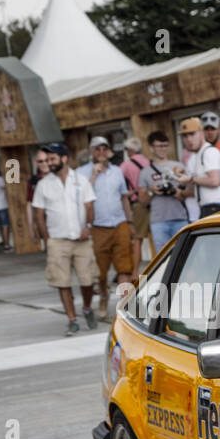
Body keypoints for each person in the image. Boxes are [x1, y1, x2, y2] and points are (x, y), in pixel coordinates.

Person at [31, 141, 97, 336]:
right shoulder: (43, 185)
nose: (49, 163)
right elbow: (39, 214)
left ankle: (86, 308)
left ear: (64, 159)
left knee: (87, 280)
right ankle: (72, 319)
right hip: (58, 241)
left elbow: (90, 206)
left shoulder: (80, 180)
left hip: (82, 240)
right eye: (47, 159)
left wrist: (88, 226)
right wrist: (47, 238)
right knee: (63, 282)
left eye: (52, 159)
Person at [78, 136, 133, 317]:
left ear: (109, 151)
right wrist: (94, 175)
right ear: (92, 152)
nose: (101, 152)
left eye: (104, 148)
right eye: (97, 149)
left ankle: (125, 305)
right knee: (100, 271)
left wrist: (130, 221)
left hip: (119, 222)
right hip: (98, 226)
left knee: (124, 266)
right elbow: (81, 198)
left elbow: (124, 197)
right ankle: (103, 299)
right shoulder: (82, 172)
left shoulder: (117, 171)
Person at [137, 131, 189, 252]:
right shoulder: (145, 172)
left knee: (185, 255)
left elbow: (188, 194)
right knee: (163, 259)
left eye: (165, 145)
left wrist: (176, 190)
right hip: (159, 221)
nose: (163, 149)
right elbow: (142, 202)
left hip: (180, 218)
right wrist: (152, 191)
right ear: (151, 148)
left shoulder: (178, 166)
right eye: (159, 146)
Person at [177, 116, 220, 219]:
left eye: (192, 134)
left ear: (202, 133)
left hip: (215, 207)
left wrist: (190, 179)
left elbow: (214, 181)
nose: (189, 139)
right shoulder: (200, 153)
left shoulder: (209, 151)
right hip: (208, 208)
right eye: (185, 136)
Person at [120, 136, 150, 276]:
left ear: (129, 150)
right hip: (152, 200)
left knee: (137, 238)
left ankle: (135, 272)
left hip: (138, 203)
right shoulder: (148, 161)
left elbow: (118, 183)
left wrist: (129, 193)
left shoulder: (126, 165)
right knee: (154, 237)